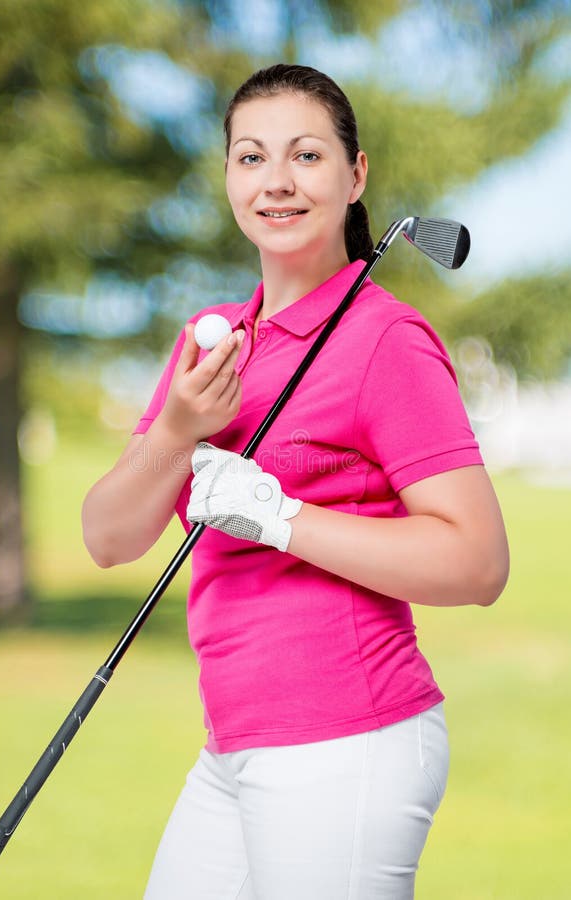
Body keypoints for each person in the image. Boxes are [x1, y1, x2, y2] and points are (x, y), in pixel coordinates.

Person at [82, 64, 509, 899]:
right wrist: (175, 428)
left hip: (349, 742)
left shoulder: (386, 341)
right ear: (228, 178)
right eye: (250, 157)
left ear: (354, 177)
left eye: (306, 156)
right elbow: (108, 538)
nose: (275, 181)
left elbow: (477, 563)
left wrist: (281, 519)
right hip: (234, 744)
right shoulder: (212, 344)